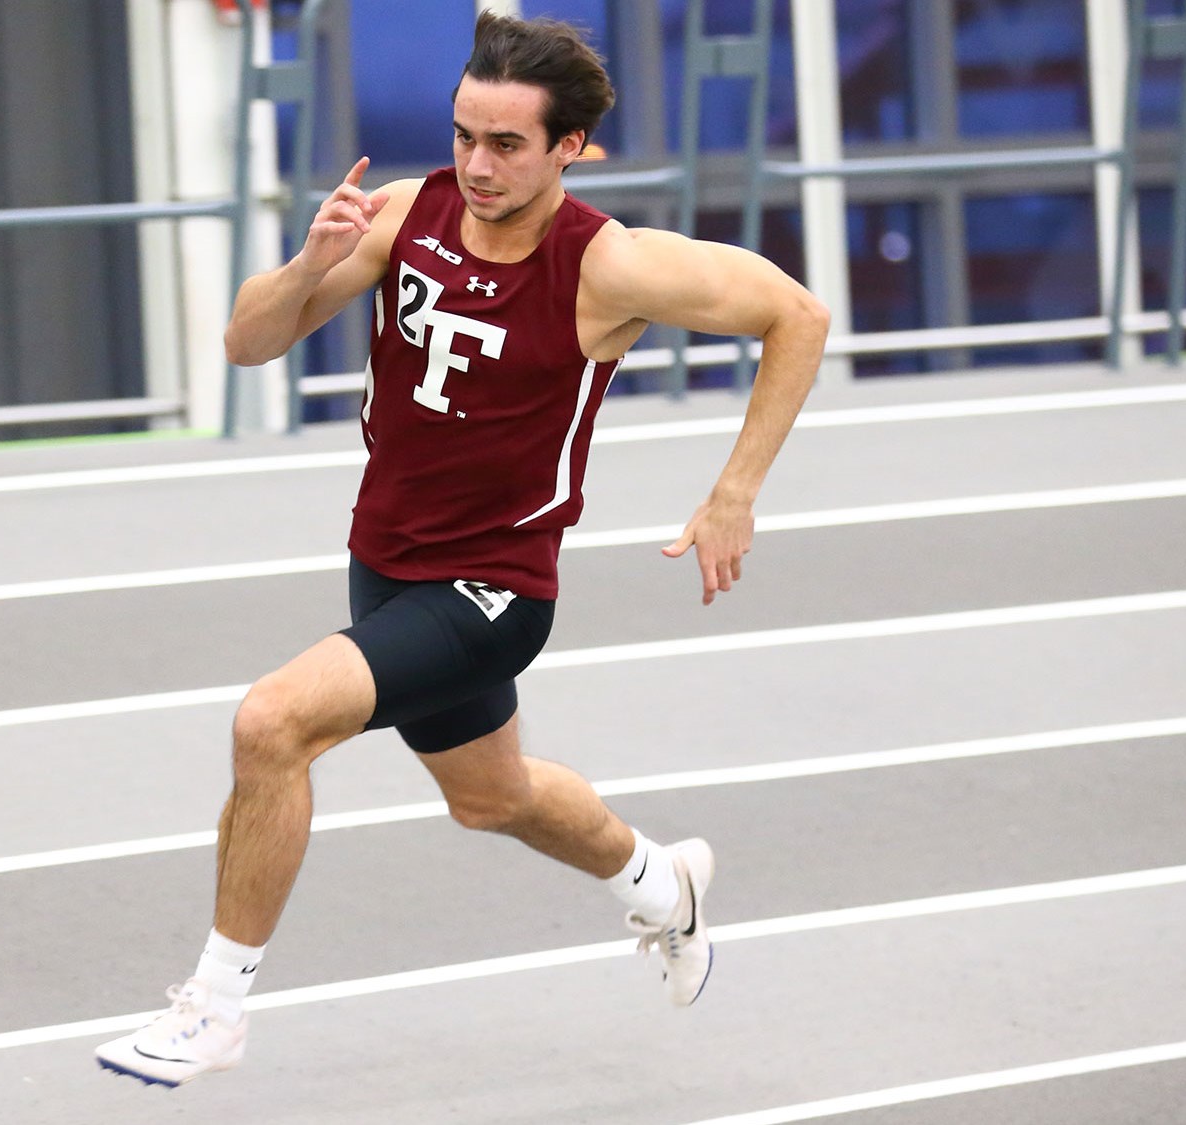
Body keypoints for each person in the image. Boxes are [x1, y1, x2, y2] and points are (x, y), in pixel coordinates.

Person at [96, 12, 828, 1088]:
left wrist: (734, 493)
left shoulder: (607, 267)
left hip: (491, 588)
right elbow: (247, 343)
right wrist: (310, 263)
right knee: (490, 798)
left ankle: (214, 1008)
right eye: (461, 136)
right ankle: (659, 885)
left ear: (569, 147)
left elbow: (796, 316)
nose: (475, 166)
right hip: (385, 557)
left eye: (506, 146)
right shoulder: (401, 215)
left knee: (271, 724)